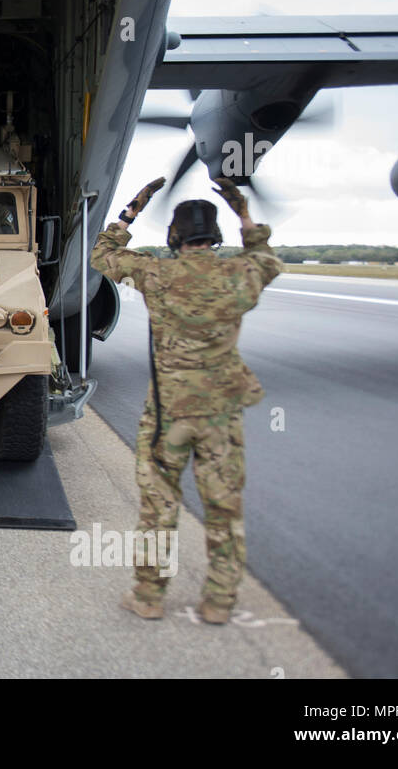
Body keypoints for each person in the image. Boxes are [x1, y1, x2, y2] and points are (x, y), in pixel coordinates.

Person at [90, 176, 284, 625]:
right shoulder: (241, 274)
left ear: (174, 237)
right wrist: (245, 215)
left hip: (168, 416)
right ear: (215, 237)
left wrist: (131, 211)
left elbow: (103, 256)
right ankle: (218, 603)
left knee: (159, 507)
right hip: (219, 415)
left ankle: (149, 596)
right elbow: (268, 260)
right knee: (224, 508)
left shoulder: (159, 273)